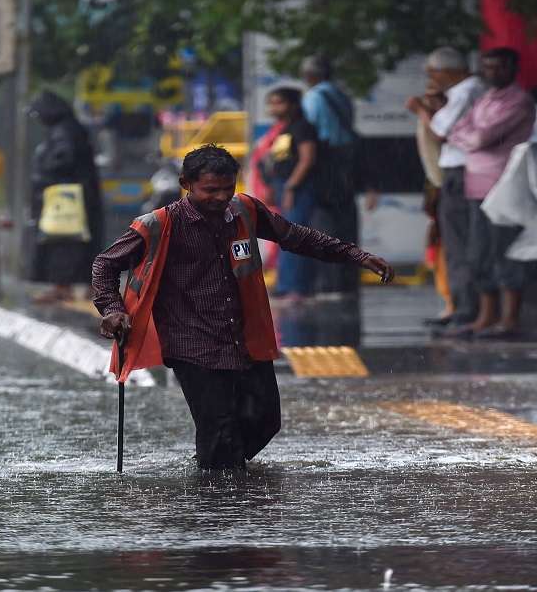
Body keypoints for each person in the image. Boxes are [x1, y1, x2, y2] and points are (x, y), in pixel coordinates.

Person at [91, 144, 394, 472]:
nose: (220, 198)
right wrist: (112, 308)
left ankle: (216, 466)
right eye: (210, 190)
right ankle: (215, 499)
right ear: (186, 184)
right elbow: (105, 264)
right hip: (191, 342)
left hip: (243, 336)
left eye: (227, 188)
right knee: (219, 428)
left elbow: (296, 237)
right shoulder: (158, 225)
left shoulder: (246, 210)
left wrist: (356, 256)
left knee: (266, 419)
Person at [445, 47, 535, 337]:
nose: (492, 72)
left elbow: (482, 136)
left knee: (505, 253)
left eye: (498, 67)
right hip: (476, 187)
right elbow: (456, 131)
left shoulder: (519, 101)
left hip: (504, 186)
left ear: (512, 69)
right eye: (487, 67)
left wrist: (472, 138)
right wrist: (473, 138)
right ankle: (485, 317)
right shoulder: (484, 99)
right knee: (479, 254)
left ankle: (509, 320)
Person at [406, 47, 488, 327]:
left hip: (460, 170)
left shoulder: (466, 91)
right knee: (455, 242)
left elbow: (441, 130)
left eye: (434, 74)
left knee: (458, 242)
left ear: (449, 71)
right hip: (460, 169)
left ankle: (465, 307)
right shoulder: (469, 90)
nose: (433, 79)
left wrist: (422, 110)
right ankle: (460, 304)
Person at [28, 91, 104, 302]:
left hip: (68, 199)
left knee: (63, 241)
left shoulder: (64, 131)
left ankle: (64, 286)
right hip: (80, 196)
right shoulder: (70, 128)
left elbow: (64, 158)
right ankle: (87, 285)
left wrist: (44, 171)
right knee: (79, 241)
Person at [300, 55, 362, 298]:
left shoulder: (314, 97)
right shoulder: (341, 95)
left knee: (324, 224)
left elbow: (310, 129)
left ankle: (329, 282)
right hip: (345, 164)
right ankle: (346, 280)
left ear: (312, 75)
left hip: (325, 164)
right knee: (345, 223)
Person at [261, 87, 320, 303]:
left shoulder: (302, 128)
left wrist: (291, 187)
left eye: (279, 103)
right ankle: (286, 285)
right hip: (282, 186)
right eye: (272, 103)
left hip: (298, 189)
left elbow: (307, 159)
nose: (274, 108)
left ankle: (297, 287)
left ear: (294, 104)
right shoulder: (282, 129)